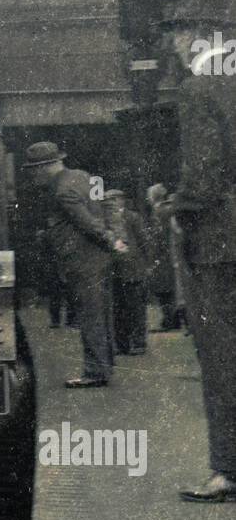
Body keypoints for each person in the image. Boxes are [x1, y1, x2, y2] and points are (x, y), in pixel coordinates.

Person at [155, 0, 236, 503]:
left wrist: (171, 203)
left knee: (222, 359)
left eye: (181, 34)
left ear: (200, 35)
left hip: (220, 245)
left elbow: (204, 181)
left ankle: (227, 470)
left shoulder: (200, 89)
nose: (178, 46)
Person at [23, 141, 124, 387]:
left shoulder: (62, 191)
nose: (33, 176)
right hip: (99, 260)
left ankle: (95, 373)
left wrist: (111, 239)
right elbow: (106, 206)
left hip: (82, 262)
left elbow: (87, 223)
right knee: (101, 314)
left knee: (90, 316)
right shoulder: (83, 176)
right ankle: (104, 366)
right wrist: (117, 235)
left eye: (34, 170)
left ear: (45, 167)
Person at [103, 190, 149, 354]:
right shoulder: (105, 220)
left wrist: (143, 264)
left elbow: (144, 241)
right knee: (118, 309)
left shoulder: (133, 217)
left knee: (136, 308)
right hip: (115, 270)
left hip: (133, 269)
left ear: (121, 200)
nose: (109, 203)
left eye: (111, 200)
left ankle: (138, 344)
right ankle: (121, 344)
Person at [146, 183, 186, 331]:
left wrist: (152, 257)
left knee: (164, 289)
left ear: (153, 197)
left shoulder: (158, 211)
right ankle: (173, 320)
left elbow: (158, 237)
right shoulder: (169, 209)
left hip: (163, 255)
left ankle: (169, 321)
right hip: (172, 254)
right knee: (171, 288)